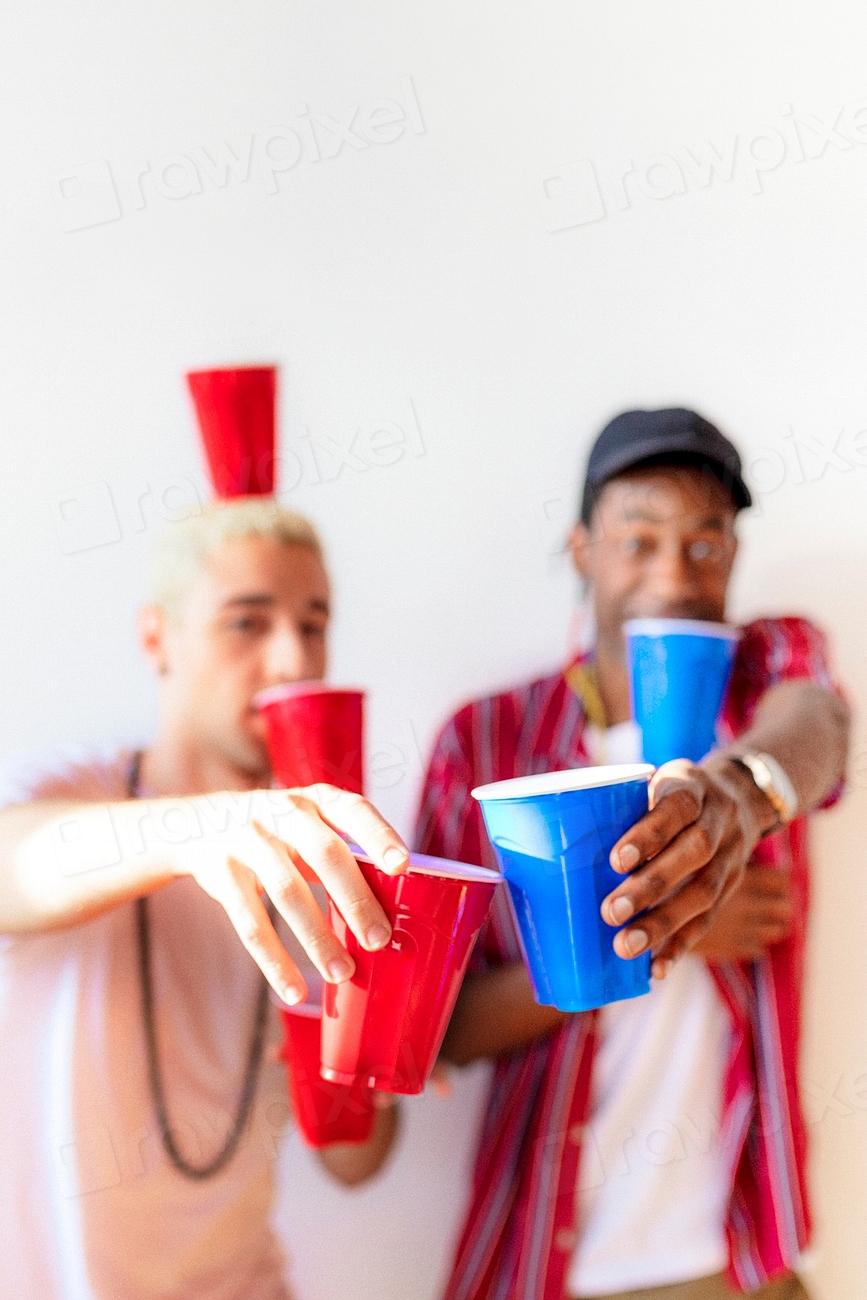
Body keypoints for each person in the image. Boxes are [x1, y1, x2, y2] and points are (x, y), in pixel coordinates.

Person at [416, 408, 850, 1300]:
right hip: (539, 1256)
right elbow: (439, 1030)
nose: (673, 573)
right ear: (581, 548)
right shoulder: (485, 742)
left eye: (705, 542)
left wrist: (737, 796)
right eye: (638, 538)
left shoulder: (770, 667)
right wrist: (659, 929)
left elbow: (819, 728)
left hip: (737, 1259)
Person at [0, 499, 406, 1299]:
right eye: (246, 623)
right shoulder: (70, 790)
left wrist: (382, 1035)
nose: (293, 660)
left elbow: (354, 1161)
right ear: (157, 638)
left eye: (313, 624)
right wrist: (210, 826)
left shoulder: (327, 859)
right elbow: (20, 868)